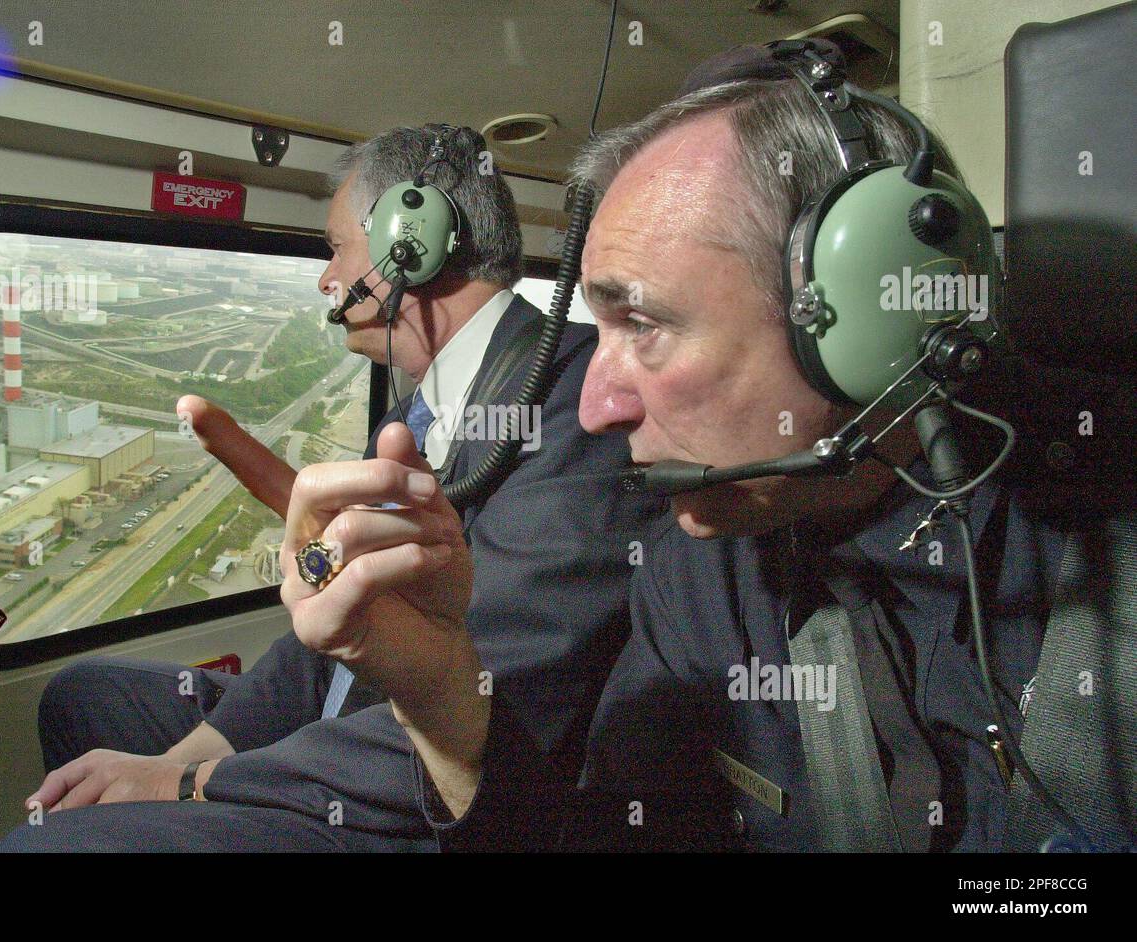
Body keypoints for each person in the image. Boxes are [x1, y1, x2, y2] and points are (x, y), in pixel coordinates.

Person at [270, 44, 1135, 852]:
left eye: (642, 324)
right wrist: (446, 701)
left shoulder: (1106, 550)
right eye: (597, 330)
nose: (597, 405)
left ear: (873, 312)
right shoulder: (705, 567)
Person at [0, 123, 664, 851]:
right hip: (349, 717)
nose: (325, 278)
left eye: (335, 248)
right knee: (82, 695)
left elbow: (491, 709)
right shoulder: (416, 410)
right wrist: (180, 760)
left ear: (412, 242)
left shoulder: (573, 407)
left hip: (421, 791)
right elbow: (333, 635)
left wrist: (192, 787)